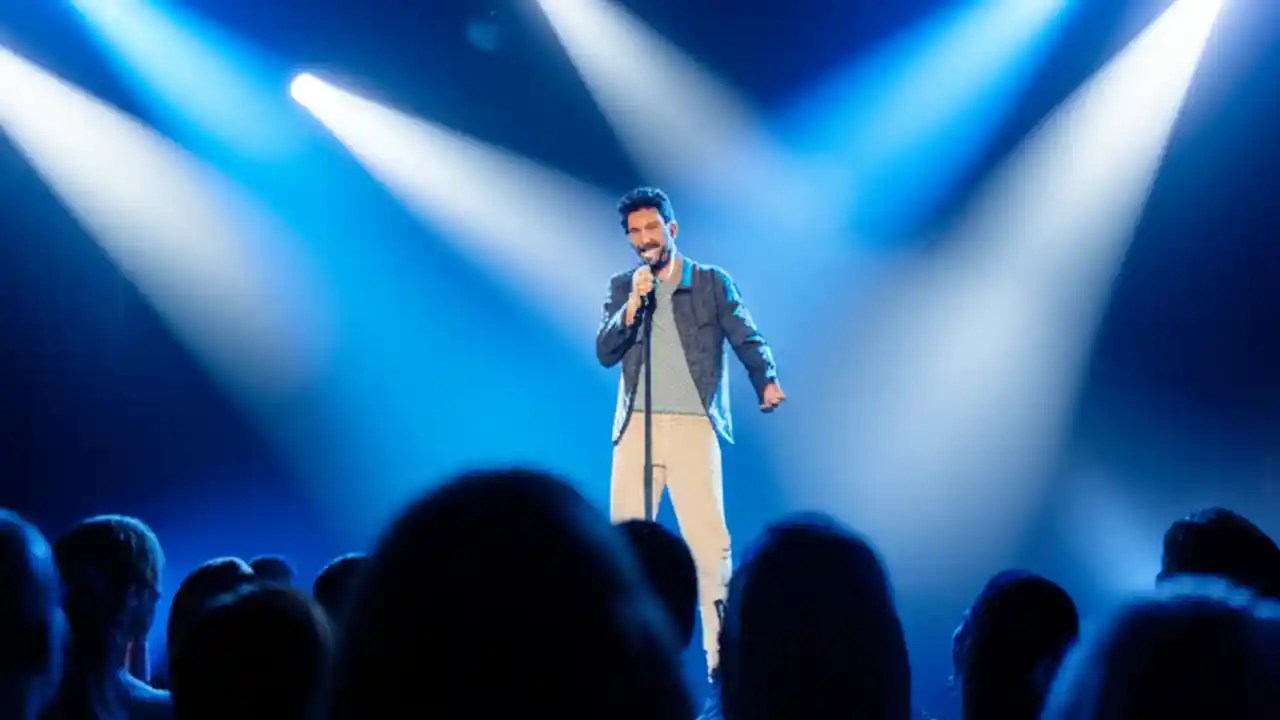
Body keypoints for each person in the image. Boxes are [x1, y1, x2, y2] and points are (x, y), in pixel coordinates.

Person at [596, 186, 785, 673]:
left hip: (693, 426)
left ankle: (720, 665)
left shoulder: (710, 283)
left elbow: (747, 336)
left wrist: (766, 381)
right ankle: (624, 662)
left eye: (652, 229)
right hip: (636, 428)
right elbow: (605, 351)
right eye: (635, 233)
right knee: (625, 545)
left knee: (708, 543)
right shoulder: (624, 288)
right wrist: (633, 306)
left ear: (671, 229)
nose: (644, 240)